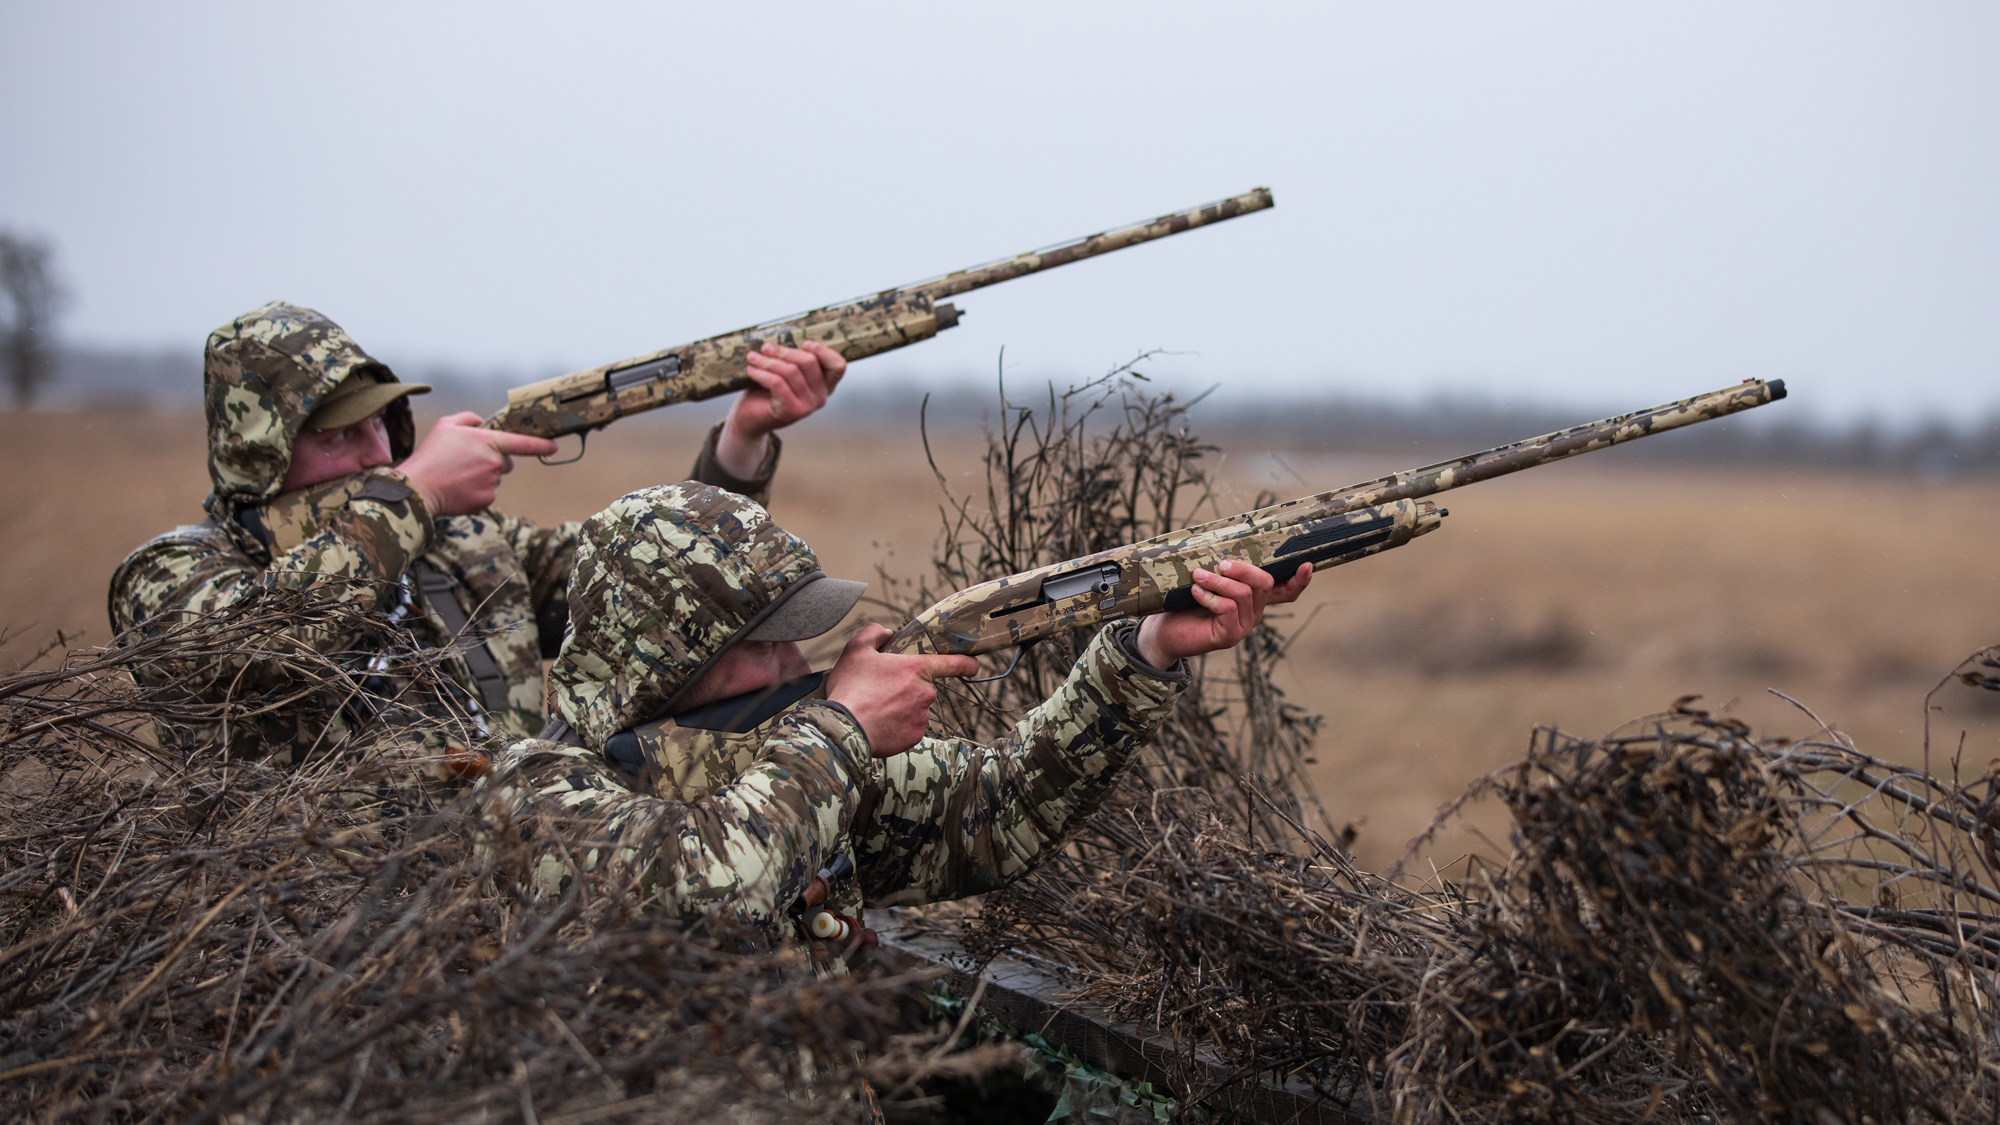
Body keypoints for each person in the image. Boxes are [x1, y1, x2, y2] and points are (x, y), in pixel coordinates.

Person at [486, 483, 1311, 948]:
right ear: (663, 663)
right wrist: (841, 727)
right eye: (765, 643)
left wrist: (1146, 649)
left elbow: (1000, 809)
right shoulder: (534, 800)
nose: (796, 664)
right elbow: (716, 885)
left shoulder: (779, 765)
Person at [108, 300, 845, 767]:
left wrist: (741, 441)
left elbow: (654, 583)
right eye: (338, 437)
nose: (375, 454)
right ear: (257, 456)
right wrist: (418, 493)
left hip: (526, 870)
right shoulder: (171, 573)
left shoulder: (462, 542)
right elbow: (257, 643)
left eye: (381, 425)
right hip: (332, 917)